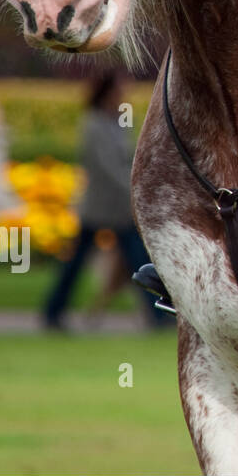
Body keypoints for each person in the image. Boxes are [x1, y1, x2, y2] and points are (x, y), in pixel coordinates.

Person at [43, 71, 165, 330]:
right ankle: (53, 311)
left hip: (118, 207)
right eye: (120, 91)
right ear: (108, 92)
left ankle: (158, 316)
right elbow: (106, 167)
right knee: (78, 263)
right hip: (100, 206)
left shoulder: (119, 122)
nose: (123, 96)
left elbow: (129, 159)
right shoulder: (94, 123)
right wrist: (135, 189)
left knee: (138, 261)